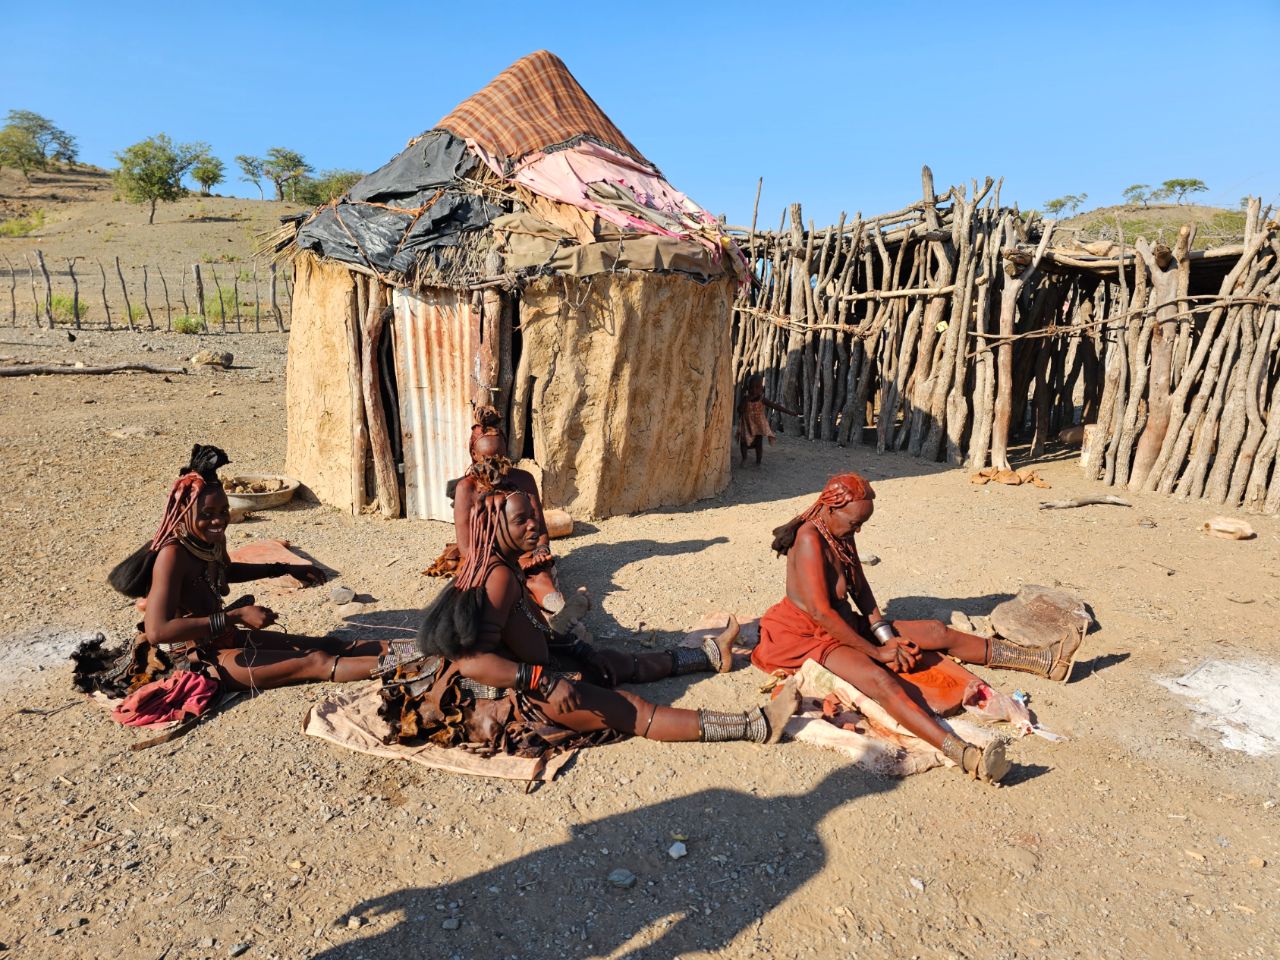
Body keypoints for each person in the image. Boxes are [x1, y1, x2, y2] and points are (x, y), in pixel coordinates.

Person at [380, 480, 799, 757]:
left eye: (536, 517)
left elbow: (526, 631)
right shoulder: (498, 578)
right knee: (631, 710)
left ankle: (709, 656)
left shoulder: (504, 567)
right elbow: (472, 660)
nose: (535, 528)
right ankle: (755, 724)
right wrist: (542, 680)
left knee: (614, 661)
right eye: (521, 521)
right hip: (513, 691)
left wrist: (573, 649)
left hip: (533, 666)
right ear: (494, 526)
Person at [752, 473, 1084, 785]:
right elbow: (821, 614)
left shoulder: (840, 534)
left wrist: (885, 635)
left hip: (842, 623)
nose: (858, 531)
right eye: (855, 523)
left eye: (862, 524)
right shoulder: (810, 539)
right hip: (806, 637)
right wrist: (877, 652)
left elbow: (861, 591)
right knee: (880, 681)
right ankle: (965, 755)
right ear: (831, 507)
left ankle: (1043, 662)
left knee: (937, 632)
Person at [73, 445, 386, 700]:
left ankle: (421, 648)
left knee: (327, 644)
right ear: (184, 514)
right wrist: (235, 616)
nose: (217, 521)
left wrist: (283, 567)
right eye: (206, 515)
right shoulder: (171, 555)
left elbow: (226, 570)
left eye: (223, 512)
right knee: (316, 662)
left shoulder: (211, 540)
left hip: (225, 637)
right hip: (193, 659)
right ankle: (412, 666)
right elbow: (158, 631)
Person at [426, 406, 572, 616]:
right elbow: (467, 548)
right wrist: (499, 564)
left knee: (540, 580)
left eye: (500, 457)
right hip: (485, 556)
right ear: (474, 454)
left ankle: (561, 617)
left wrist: (541, 551)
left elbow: (538, 528)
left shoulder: (523, 479)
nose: (494, 465)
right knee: (494, 591)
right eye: (486, 459)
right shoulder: (466, 488)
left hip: (524, 553)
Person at [737, 373, 801, 466]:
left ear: (761, 389)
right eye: (752, 387)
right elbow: (739, 410)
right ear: (748, 388)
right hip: (747, 425)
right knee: (743, 442)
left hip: (758, 426)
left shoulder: (762, 399)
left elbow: (775, 406)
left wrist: (790, 412)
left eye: (757, 387)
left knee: (758, 444)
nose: (754, 390)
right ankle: (744, 458)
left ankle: (758, 461)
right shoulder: (745, 399)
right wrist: (747, 400)